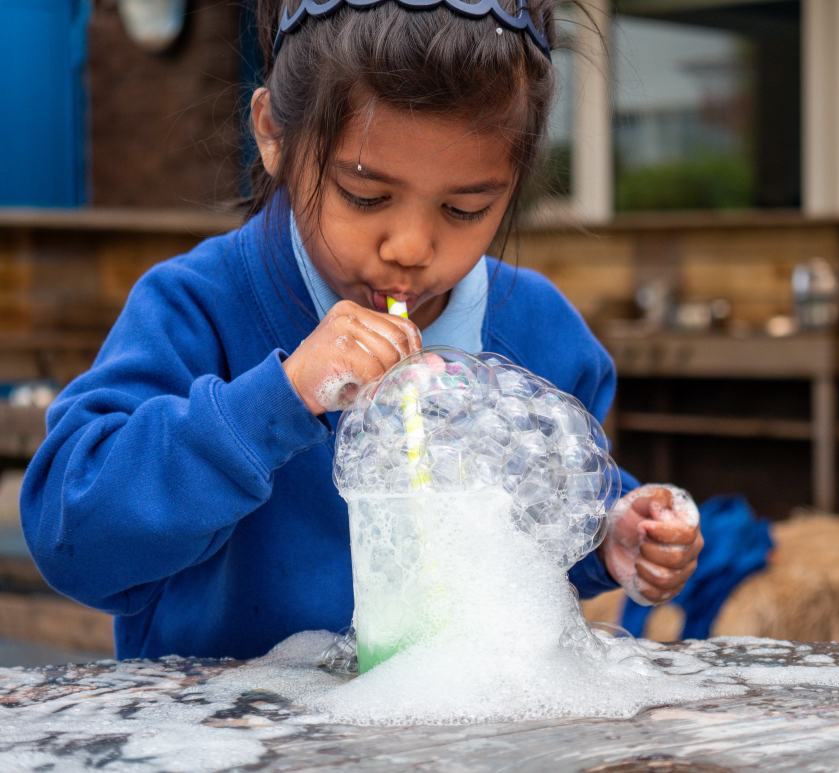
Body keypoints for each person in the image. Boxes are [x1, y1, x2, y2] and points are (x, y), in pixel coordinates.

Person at [20, 0, 703, 660]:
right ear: (273, 134)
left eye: (465, 208)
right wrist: (278, 399)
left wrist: (611, 534)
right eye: (365, 196)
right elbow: (69, 531)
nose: (410, 245)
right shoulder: (198, 308)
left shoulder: (541, 331)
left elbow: (544, 522)